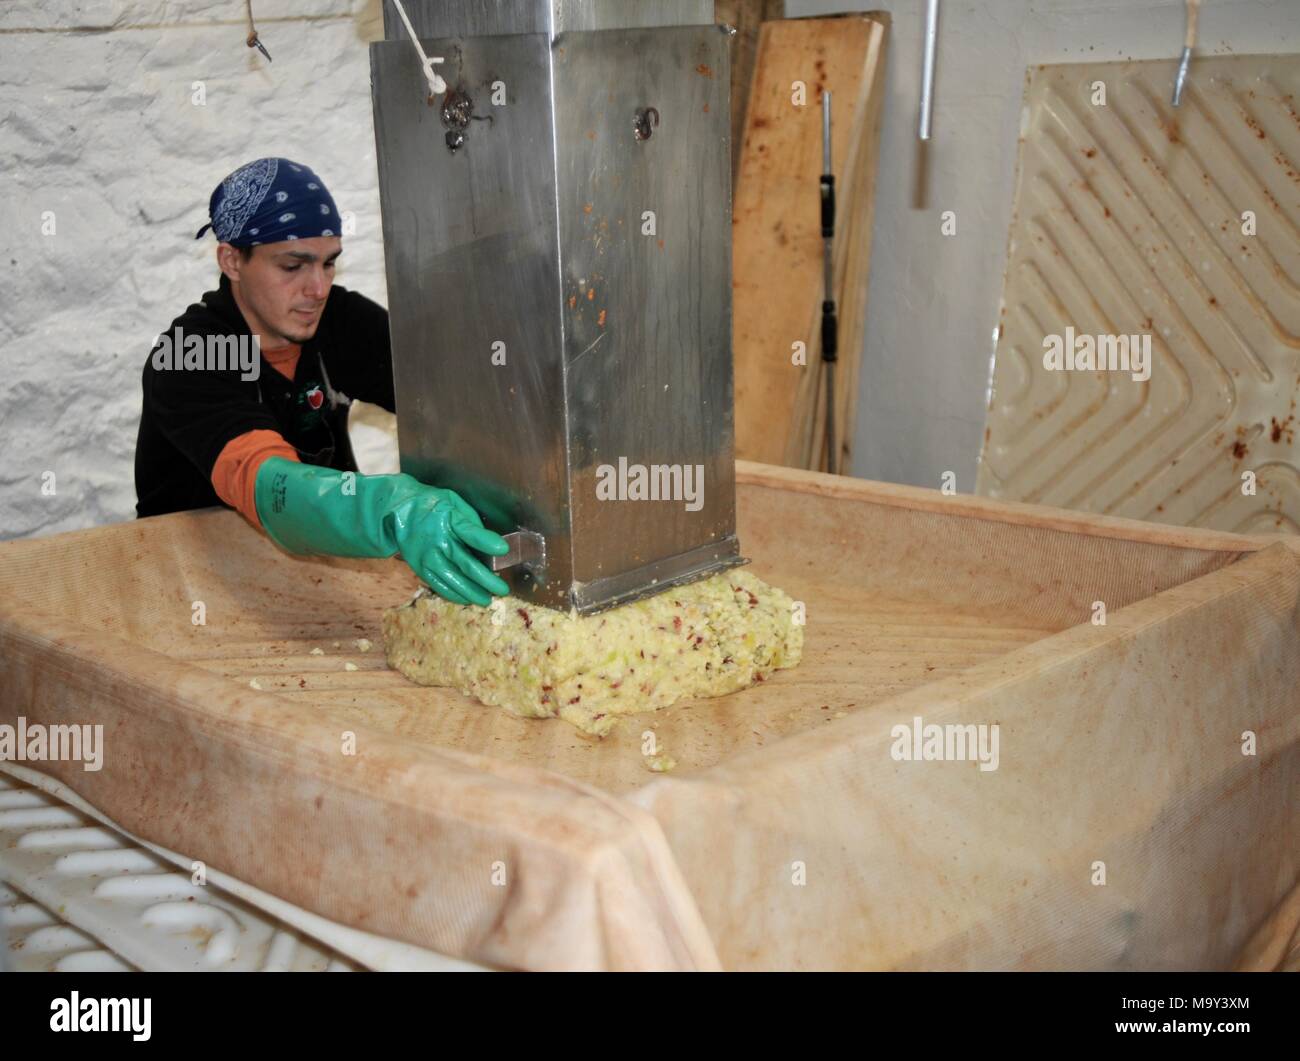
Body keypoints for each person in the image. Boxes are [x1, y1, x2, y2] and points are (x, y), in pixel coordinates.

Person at [134, 157, 508, 606]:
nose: (317, 288)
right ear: (232, 261)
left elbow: (456, 401)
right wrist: (387, 509)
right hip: (195, 592)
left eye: (329, 264)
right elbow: (271, 488)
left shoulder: (339, 323)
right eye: (293, 266)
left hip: (316, 580)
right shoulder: (194, 353)